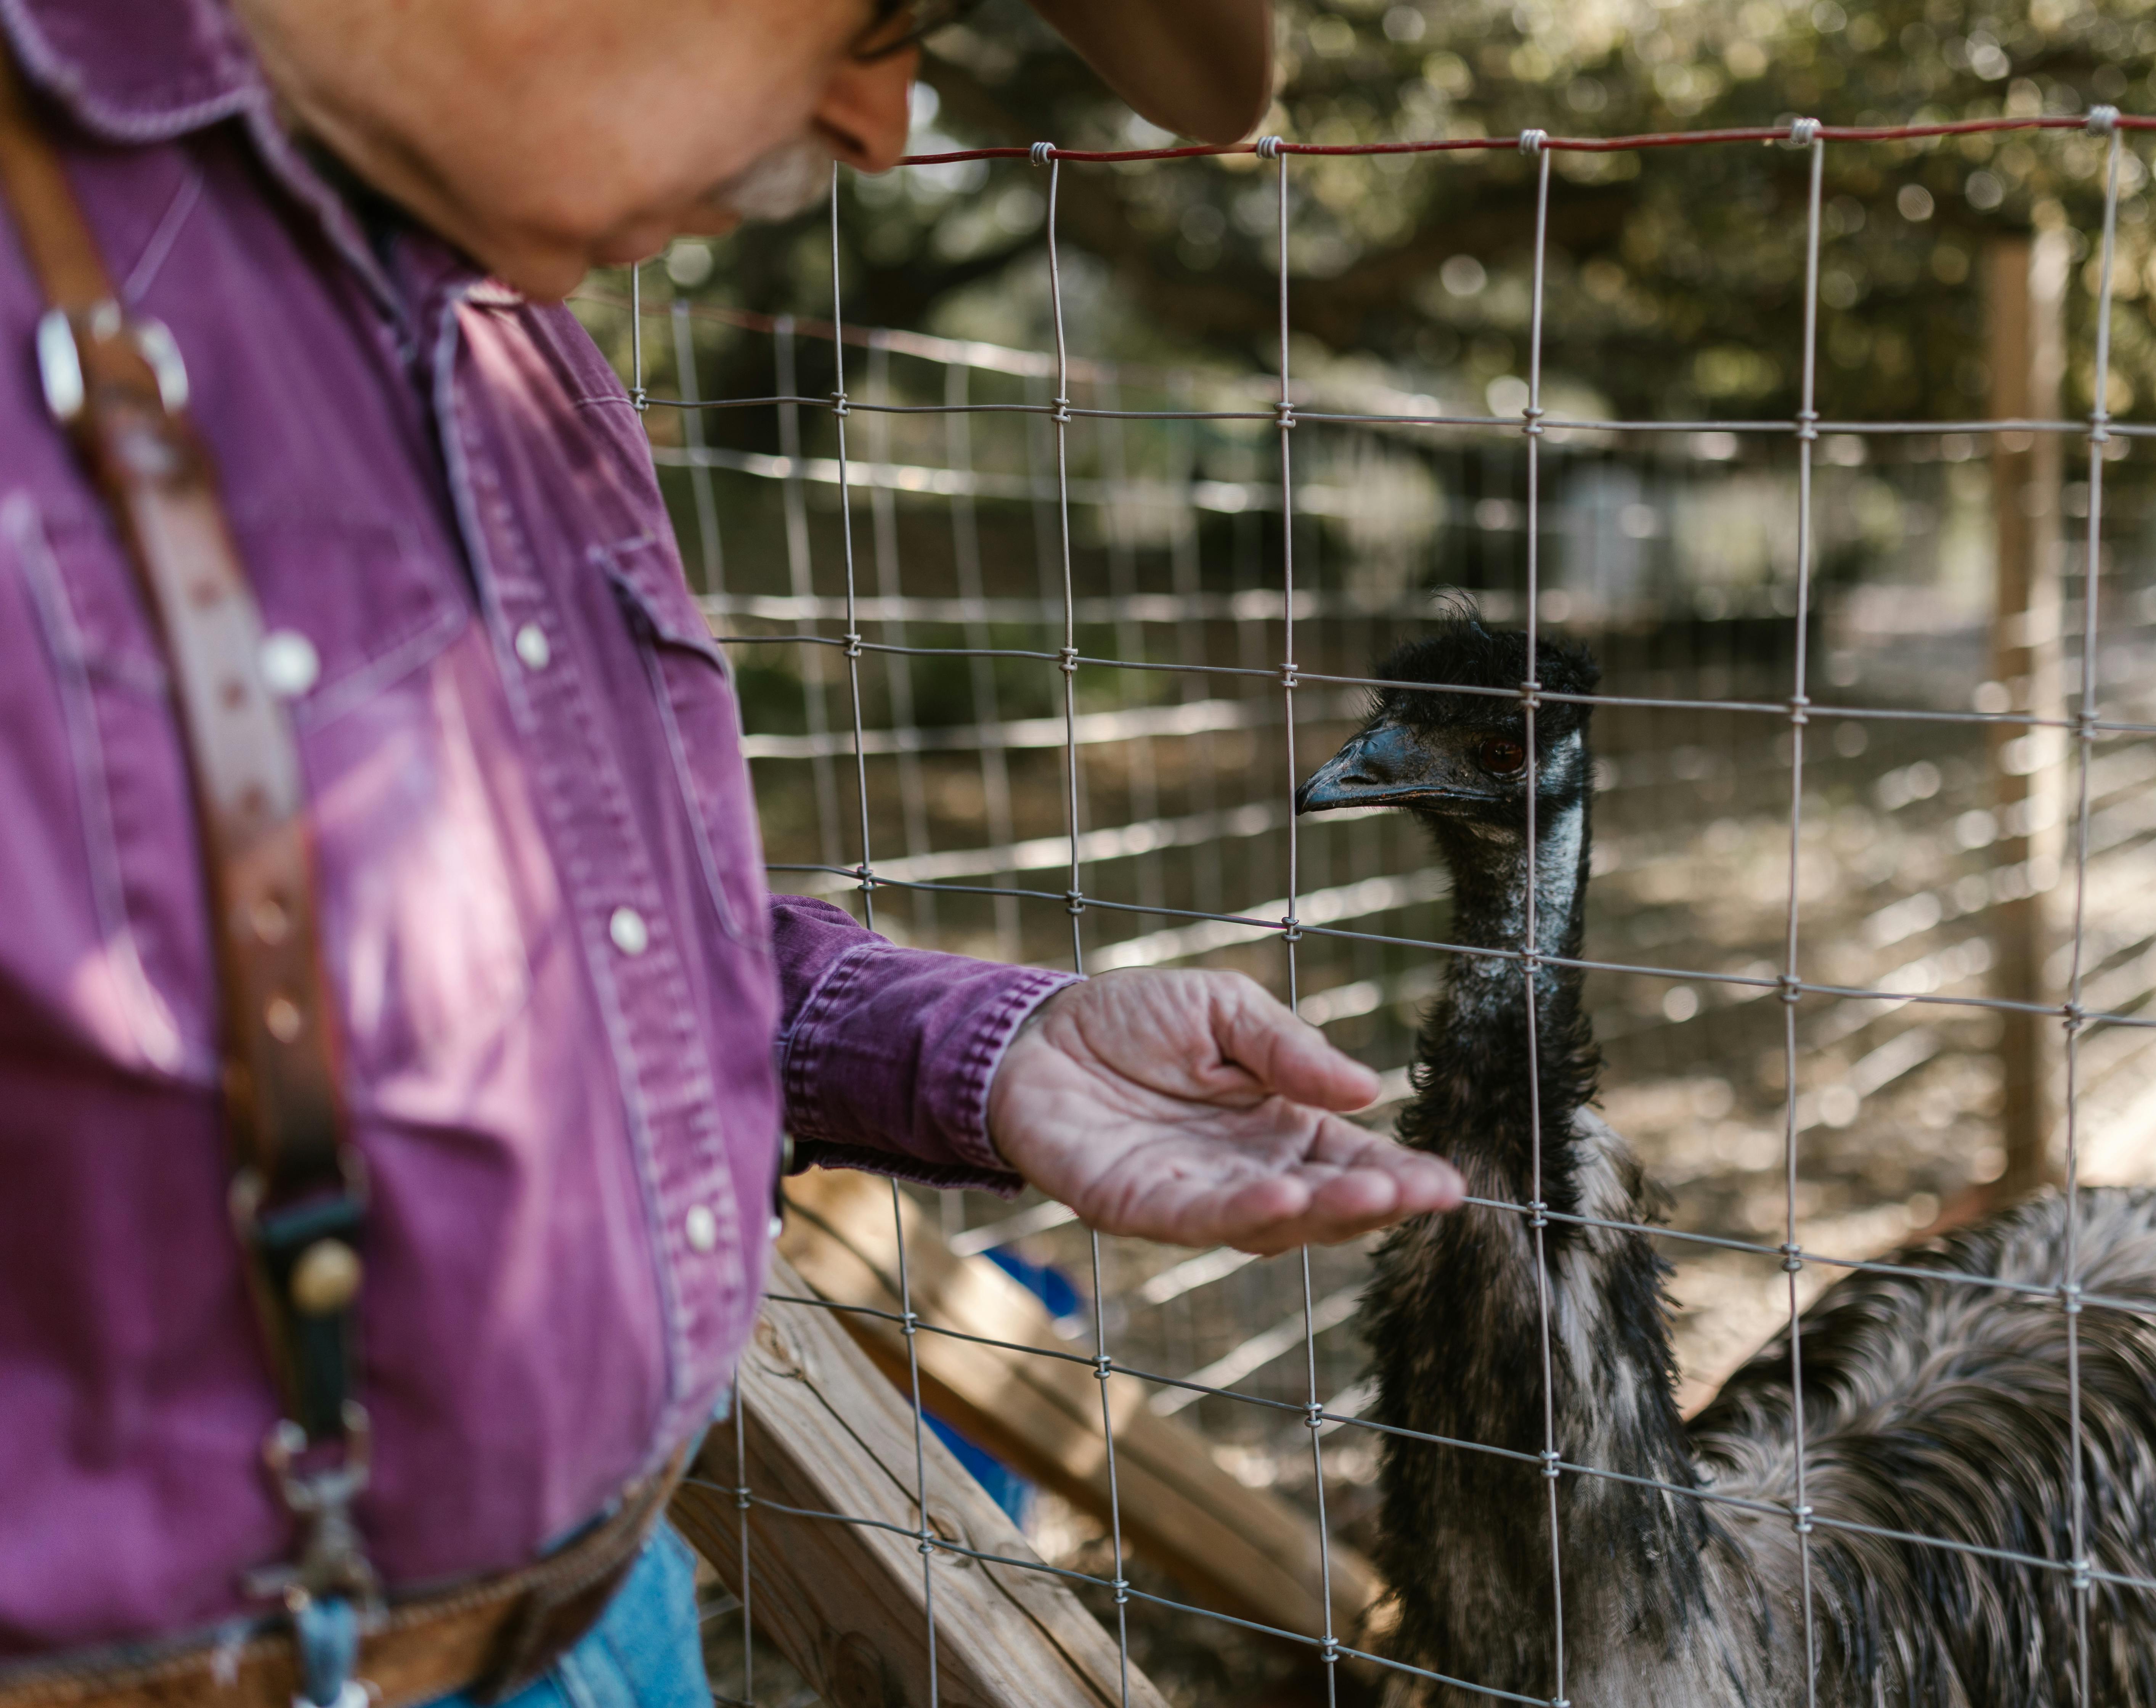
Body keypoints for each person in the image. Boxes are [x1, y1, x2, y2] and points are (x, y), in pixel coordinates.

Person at [0, 0, 1463, 1703]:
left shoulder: (503, 326)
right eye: (887, 13)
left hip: (596, 1600)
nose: (885, 126)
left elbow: (543, 921)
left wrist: (975, 1054)